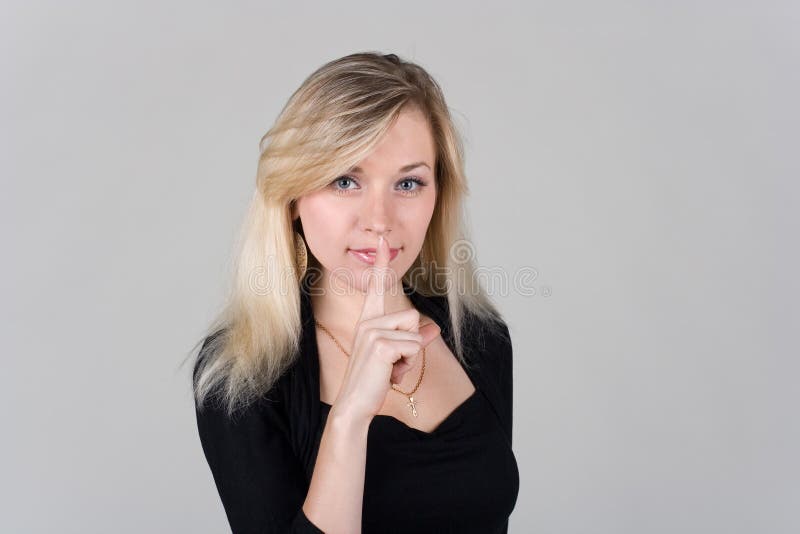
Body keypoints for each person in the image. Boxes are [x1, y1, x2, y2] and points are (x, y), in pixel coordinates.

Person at [190, 51, 519, 533]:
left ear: (437, 195)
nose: (380, 220)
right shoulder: (240, 376)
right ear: (293, 197)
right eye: (345, 180)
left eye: (408, 183)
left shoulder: (481, 338)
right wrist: (348, 417)